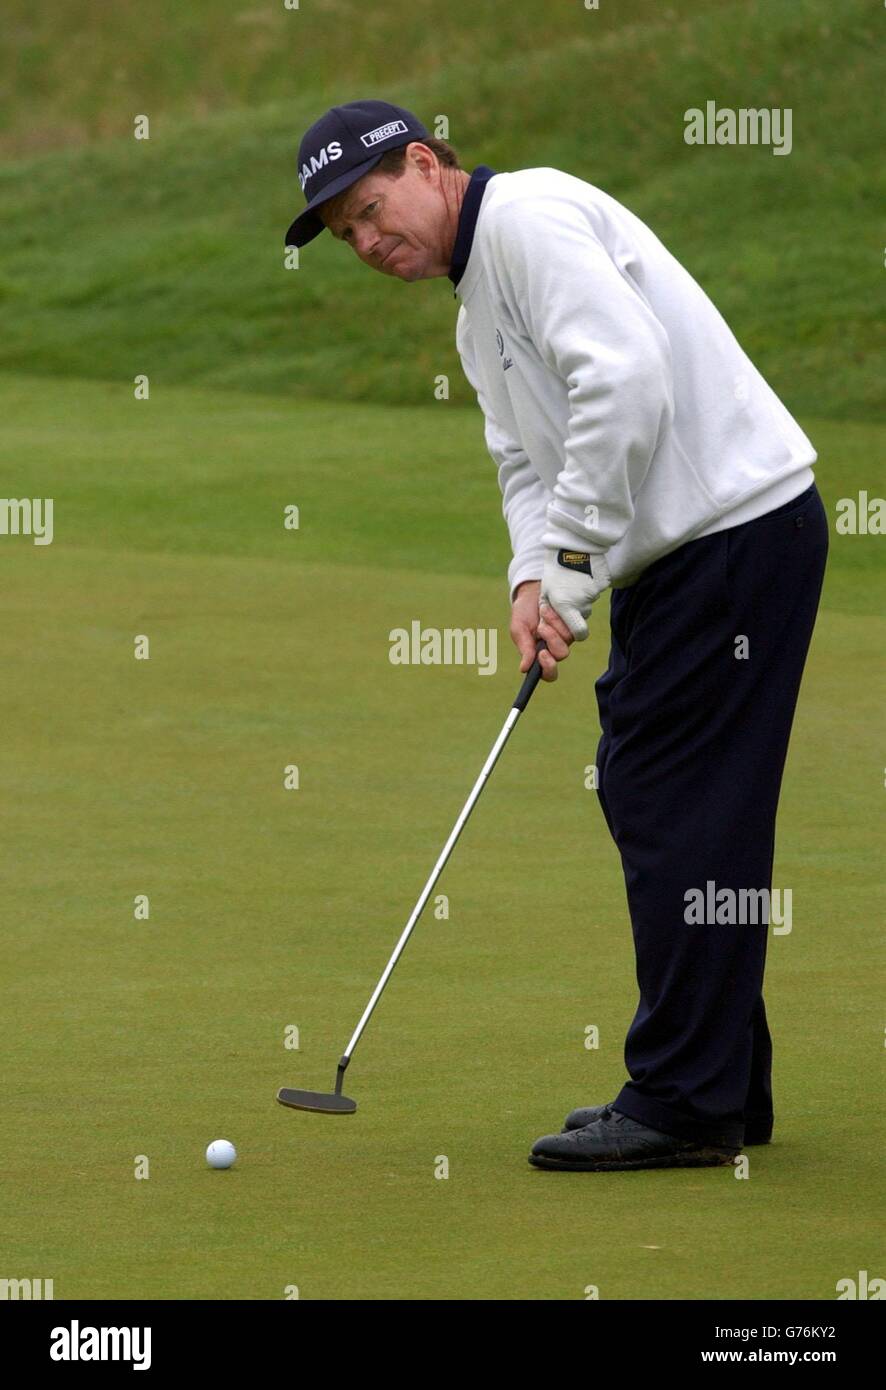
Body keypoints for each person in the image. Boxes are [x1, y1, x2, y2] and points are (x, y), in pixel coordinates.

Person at [284, 99, 829, 1172]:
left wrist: (574, 569)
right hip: (696, 554)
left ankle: (684, 1096)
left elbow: (622, 383)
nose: (365, 241)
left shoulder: (527, 220)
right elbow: (524, 464)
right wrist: (535, 576)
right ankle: (719, 1082)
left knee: (670, 801)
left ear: (426, 164)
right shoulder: (474, 305)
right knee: (664, 795)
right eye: (344, 234)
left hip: (729, 537)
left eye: (369, 208)